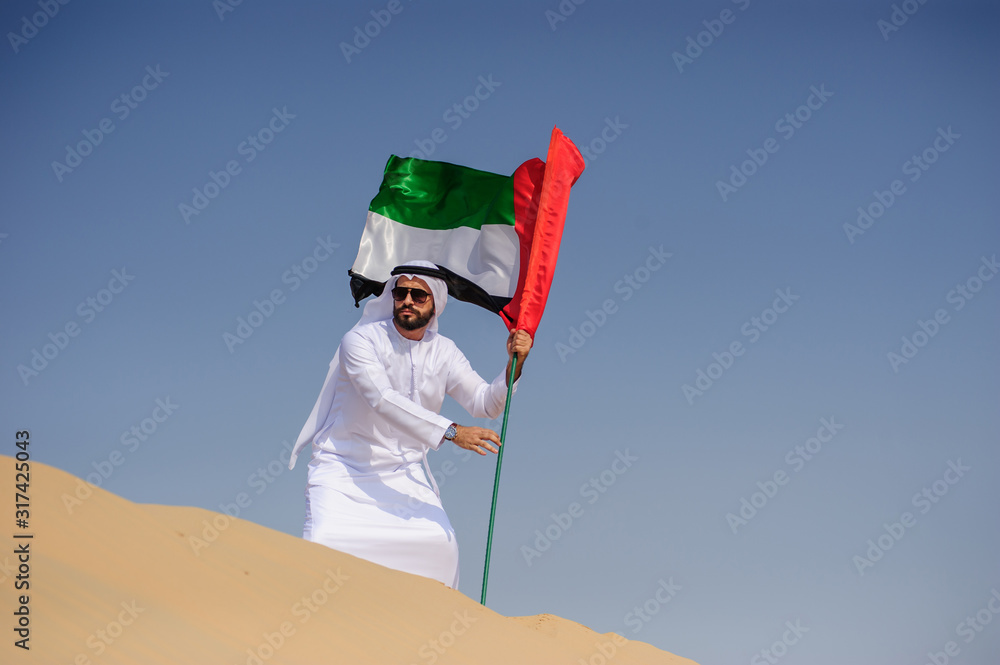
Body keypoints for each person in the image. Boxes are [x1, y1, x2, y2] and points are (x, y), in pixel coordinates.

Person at [288, 260, 532, 588]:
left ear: (437, 303)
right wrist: (452, 432)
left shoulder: (445, 351)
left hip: (405, 476)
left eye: (419, 295)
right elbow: (382, 398)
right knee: (324, 547)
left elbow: (485, 403)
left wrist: (514, 366)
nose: (407, 300)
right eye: (401, 292)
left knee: (441, 549)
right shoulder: (360, 341)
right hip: (344, 473)